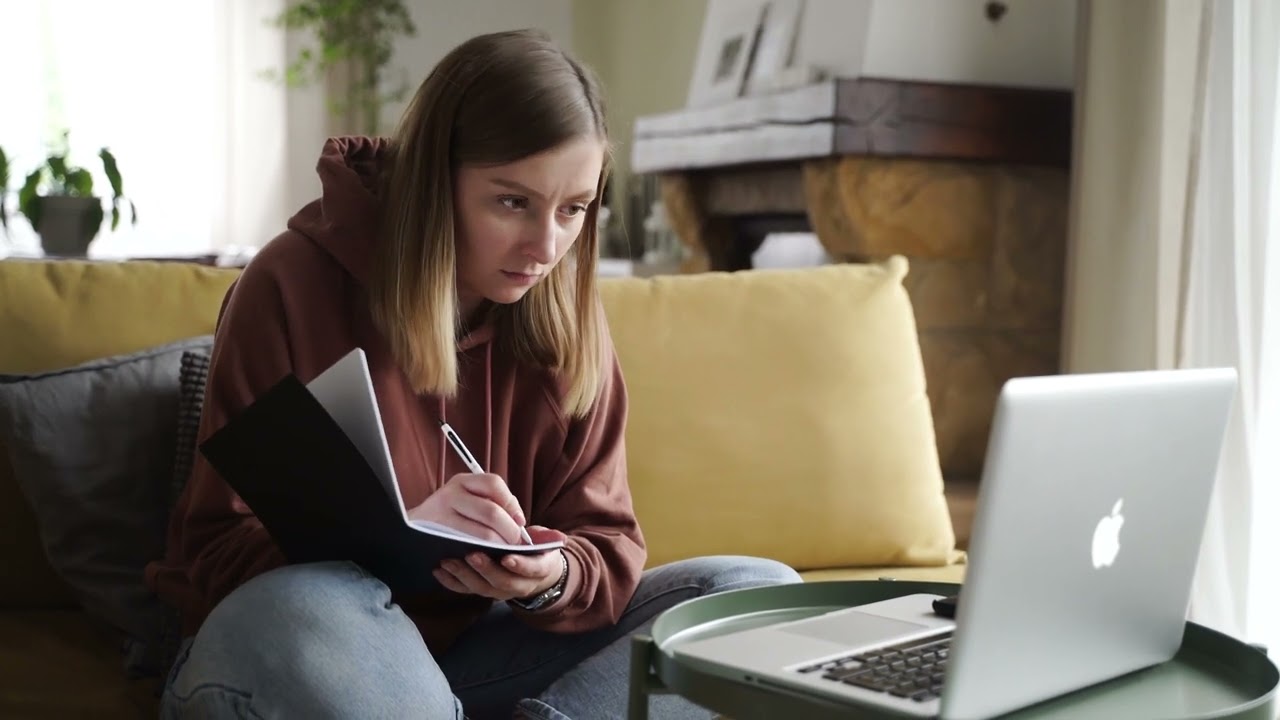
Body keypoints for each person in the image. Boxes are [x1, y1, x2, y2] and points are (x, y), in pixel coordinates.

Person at [144, 28, 801, 720]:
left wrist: (548, 577)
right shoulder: (289, 283)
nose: (546, 247)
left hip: (464, 662)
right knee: (309, 607)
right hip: (296, 648)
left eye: (574, 209)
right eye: (512, 202)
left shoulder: (567, 318)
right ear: (436, 182)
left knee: (755, 596)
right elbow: (216, 552)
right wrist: (391, 540)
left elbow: (606, 546)